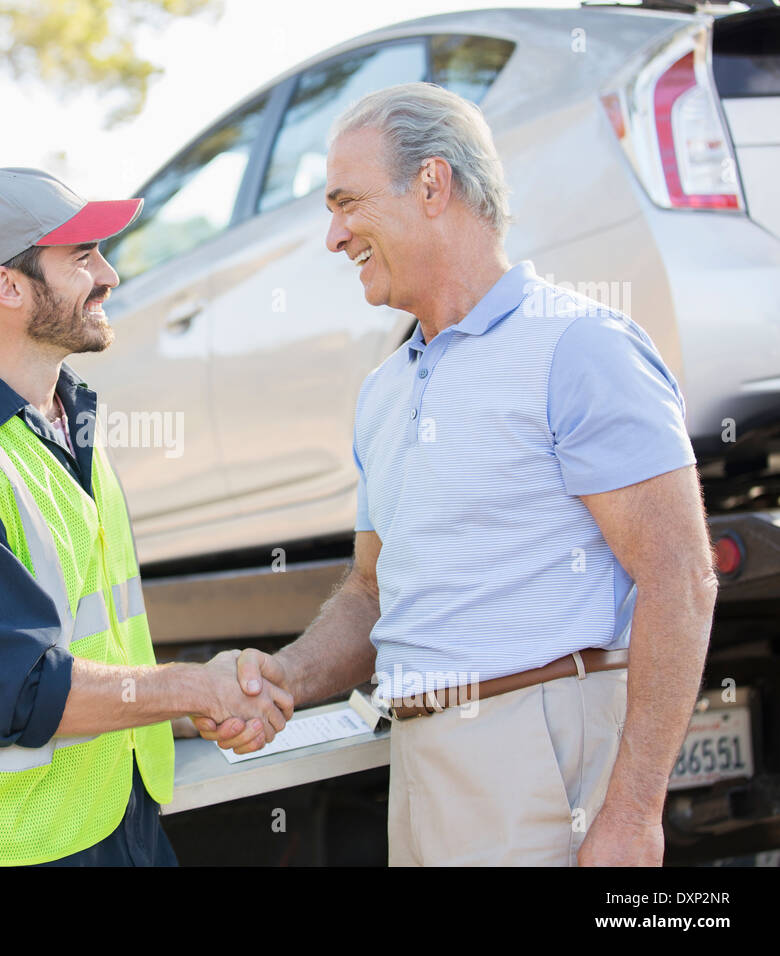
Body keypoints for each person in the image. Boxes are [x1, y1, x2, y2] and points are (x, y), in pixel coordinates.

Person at [194, 83, 717, 866]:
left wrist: (636, 811)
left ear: (433, 185)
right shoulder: (384, 391)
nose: (334, 237)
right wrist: (288, 676)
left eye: (347, 203)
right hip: (418, 763)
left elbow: (681, 577)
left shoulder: (578, 346)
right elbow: (375, 593)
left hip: (541, 758)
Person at [0, 167, 292, 867]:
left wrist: (194, 706)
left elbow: (100, 643)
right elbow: (14, 691)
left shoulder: (67, 425)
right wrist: (192, 684)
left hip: (118, 824)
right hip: (9, 849)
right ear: (7, 287)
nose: (109, 275)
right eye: (83, 256)